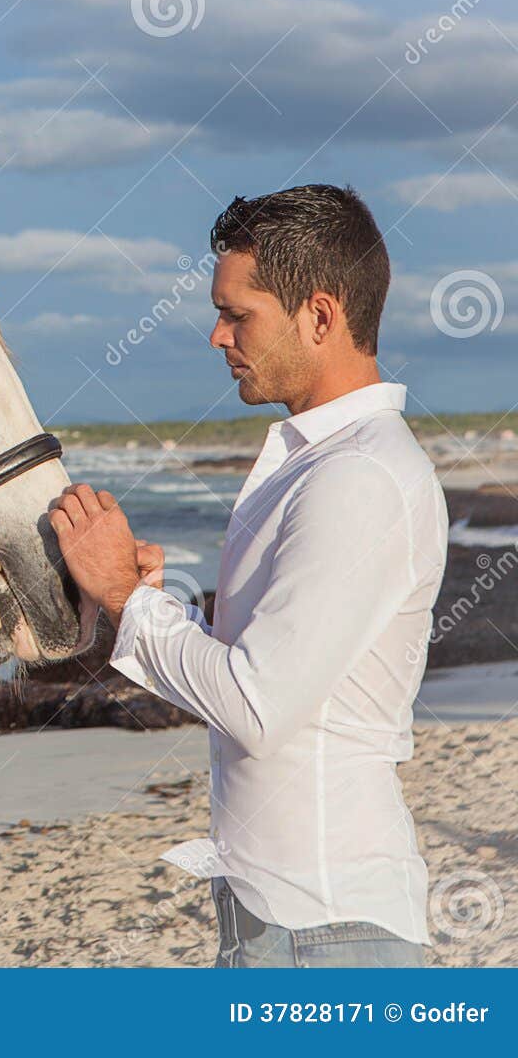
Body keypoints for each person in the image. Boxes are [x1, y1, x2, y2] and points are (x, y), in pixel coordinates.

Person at [49, 184, 448, 967]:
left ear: (320, 317)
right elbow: (258, 677)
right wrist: (150, 606)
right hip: (290, 916)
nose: (216, 336)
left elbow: (256, 705)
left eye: (238, 314)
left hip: (327, 928)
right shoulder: (324, 466)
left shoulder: (359, 476)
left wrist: (130, 600)